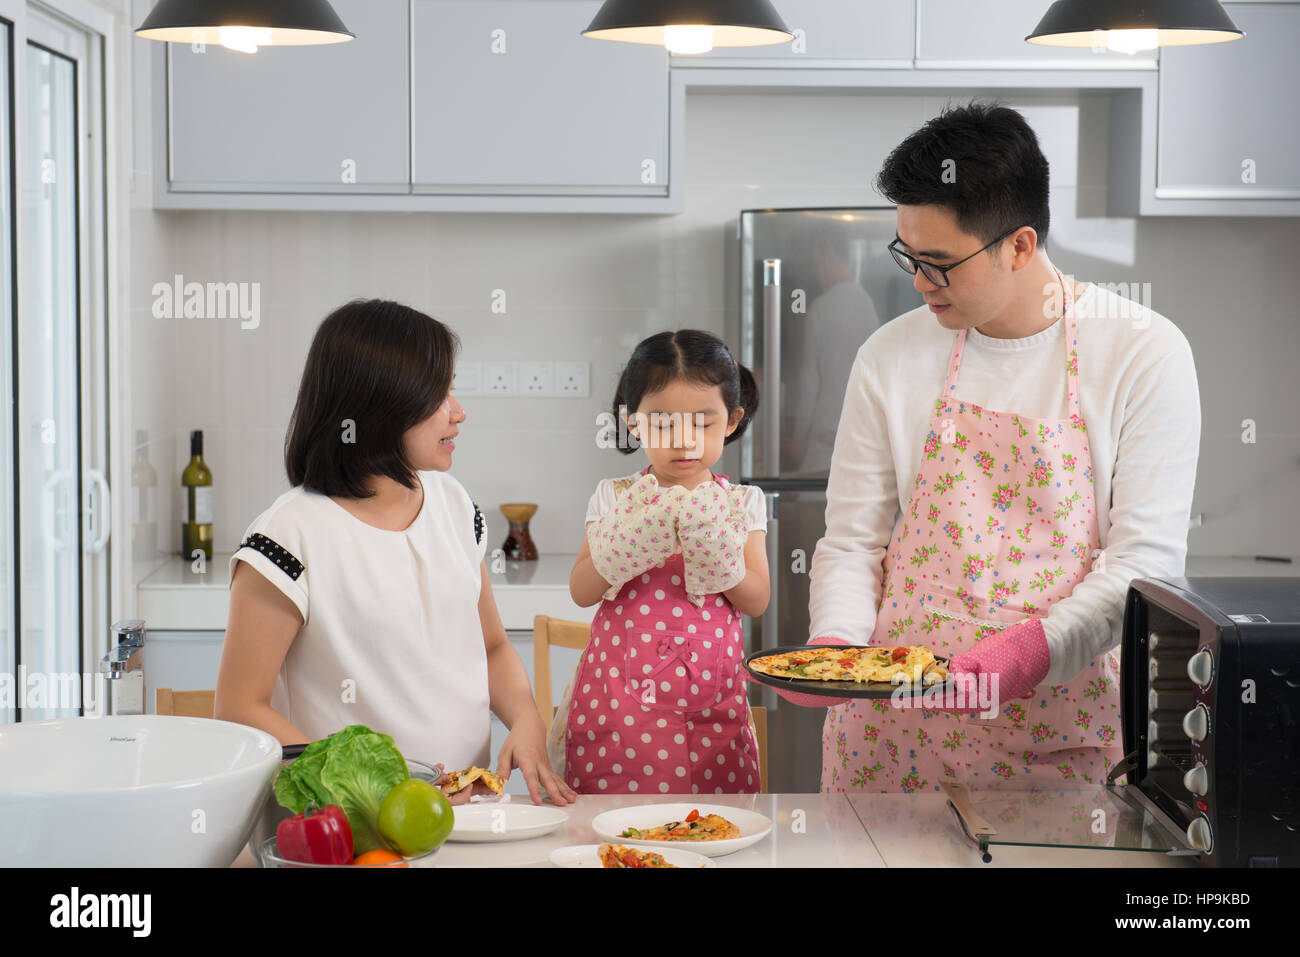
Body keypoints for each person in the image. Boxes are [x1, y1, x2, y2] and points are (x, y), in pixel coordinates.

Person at [791, 102, 1200, 792]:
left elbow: (1145, 562)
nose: (919, 283)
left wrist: (1030, 651)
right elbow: (854, 540)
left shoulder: (1141, 350)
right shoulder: (890, 353)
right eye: (909, 256)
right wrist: (838, 644)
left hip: (1053, 740)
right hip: (891, 747)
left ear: (1019, 244)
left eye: (941, 263)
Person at [214, 298, 576, 806]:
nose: (459, 411)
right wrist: (377, 790)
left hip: (464, 817)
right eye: (439, 394)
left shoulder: (454, 505)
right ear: (379, 406)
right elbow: (239, 708)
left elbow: (492, 646)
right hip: (354, 830)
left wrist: (527, 720)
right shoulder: (287, 538)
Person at [556, 330, 771, 794]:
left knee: (712, 832)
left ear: (732, 420)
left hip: (713, 711)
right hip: (618, 713)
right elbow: (581, 591)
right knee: (617, 839)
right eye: (662, 423)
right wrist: (625, 549)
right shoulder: (615, 497)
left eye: (702, 422)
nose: (683, 440)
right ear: (633, 423)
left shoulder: (741, 504)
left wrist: (723, 563)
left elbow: (756, 600)